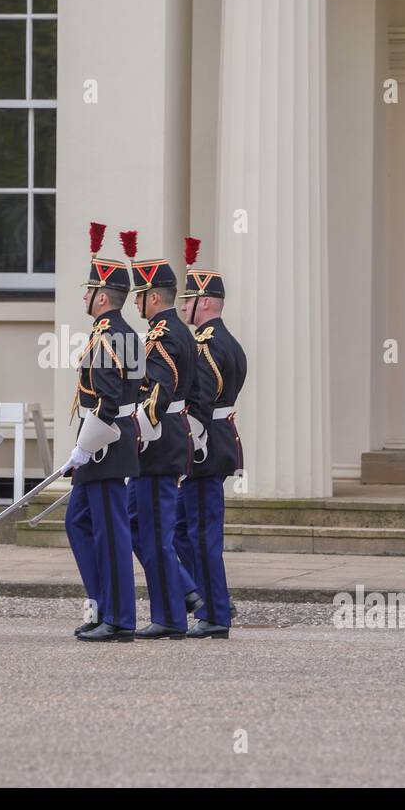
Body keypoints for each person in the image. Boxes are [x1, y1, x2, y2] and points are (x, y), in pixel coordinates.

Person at [63, 222, 144, 642]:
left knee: (111, 533)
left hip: (104, 446)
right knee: (77, 521)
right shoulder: (119, 333)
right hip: (104, 442)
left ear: (102, 296)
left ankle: (119, 618)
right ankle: (100, 604)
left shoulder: (112, 335)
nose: (83, 297)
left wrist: (84, 447)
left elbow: (109, 401)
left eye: (88, 290)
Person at [121, 231, 199, 639]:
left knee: (152, 530)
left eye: (139, 296)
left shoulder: (163, 333)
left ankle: (169, 615)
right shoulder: (178, 330)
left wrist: (136, 431)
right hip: (167, 437)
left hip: (158, 440)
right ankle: (184, 590)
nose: (135, 303)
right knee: (141, 525)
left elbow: (157, 391)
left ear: (153, 297)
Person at [176, 237, 247, 639]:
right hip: (219, 441)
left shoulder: (205, 344)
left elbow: (199, 403)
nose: (183, 307)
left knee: (201, 534)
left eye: (188, 300)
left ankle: (215, 612)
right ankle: (208, 596)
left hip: (204, 447)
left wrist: (187, 448)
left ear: (203, 302)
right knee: (185, 530)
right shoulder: (229, 341)